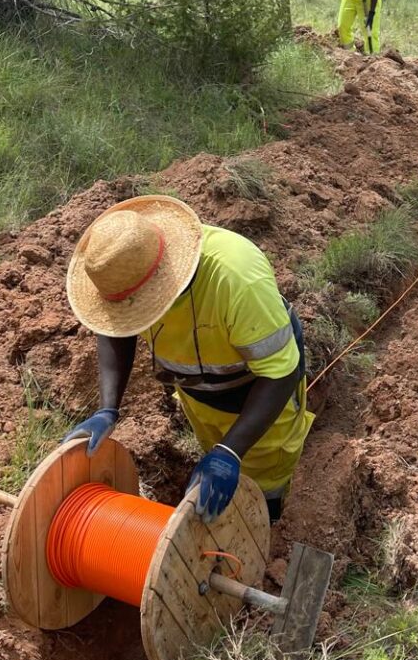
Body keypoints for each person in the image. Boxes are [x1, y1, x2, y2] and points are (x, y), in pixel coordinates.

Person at [63, 195, 312, 525]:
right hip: (198, 389)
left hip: (260, 391)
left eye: (140, 308)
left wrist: (231, 452)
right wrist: (107, 408)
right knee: (212, 444)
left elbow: (280, 373)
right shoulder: (125, 273)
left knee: (264, 471)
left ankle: (268, 520)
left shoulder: (236, 279)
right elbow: (114, 326)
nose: (135, 316)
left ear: (166, 282)